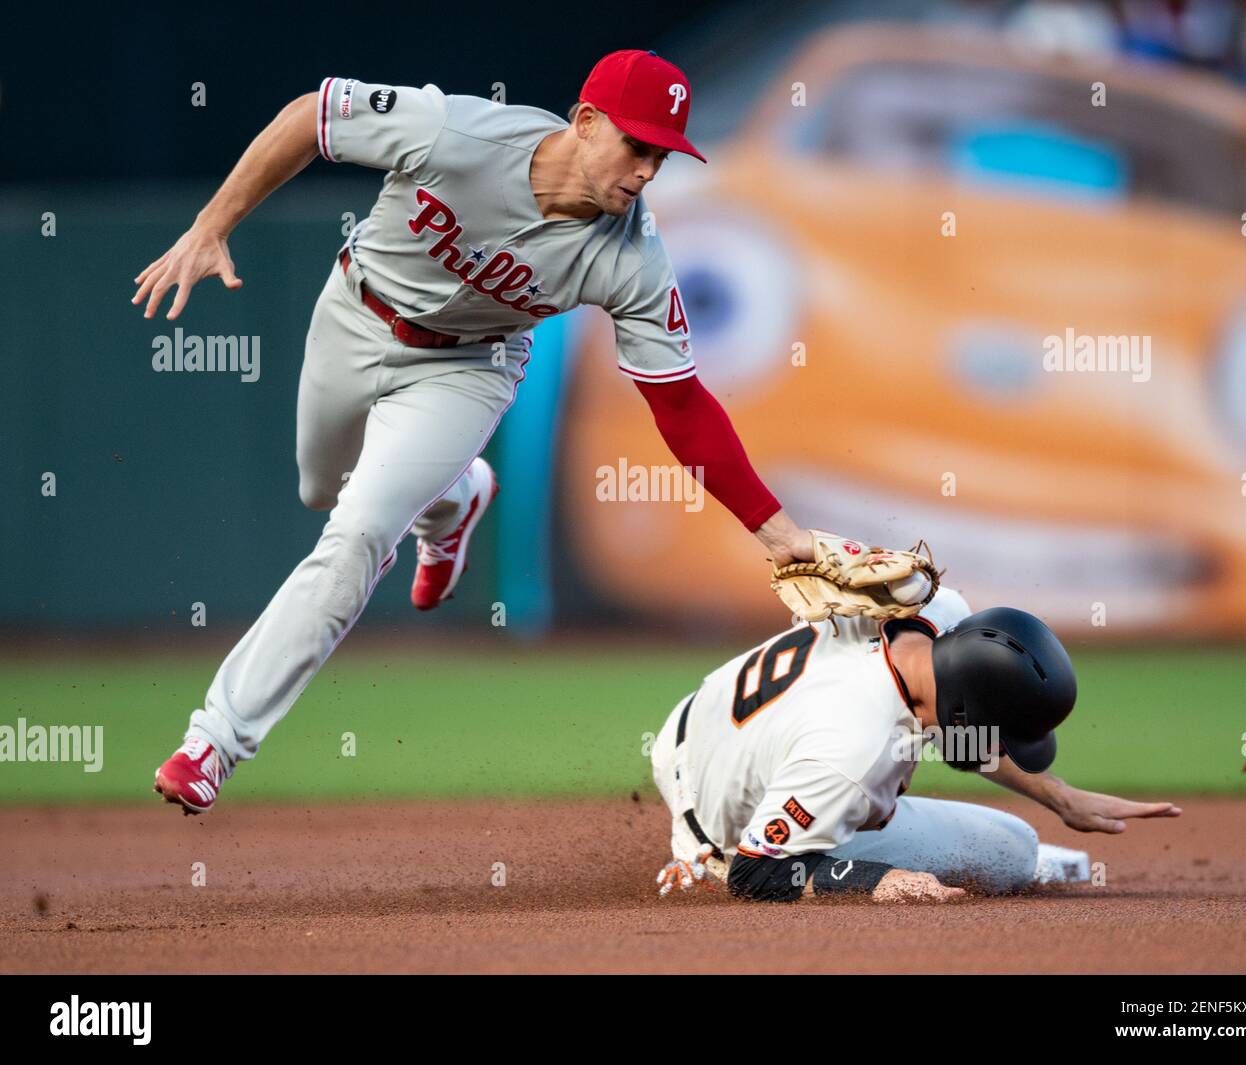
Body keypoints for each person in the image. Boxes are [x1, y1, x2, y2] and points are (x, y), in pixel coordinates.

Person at [134, 49, 813, 815]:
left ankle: (213, 740)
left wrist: (772, 525)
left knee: (357, 531)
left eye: (663, 154)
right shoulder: (454, 130)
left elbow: (681, 403)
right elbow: (309, 117)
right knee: (322, 488)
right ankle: (456, 495)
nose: (648, 170)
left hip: (468, 369)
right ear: (586, 123)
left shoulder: (633, 257)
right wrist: (210, 224)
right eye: (636, 144)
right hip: (355, 314)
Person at [652, 588, 1182, 901]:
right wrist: (877, 881)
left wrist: (1057, 794)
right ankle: (708, 855)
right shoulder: (853, 756)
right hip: (721, 825)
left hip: (703, 719)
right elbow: (756, 875)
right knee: (1010, 850)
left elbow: (961, 725)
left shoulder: (935, 611)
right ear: (960, 716)